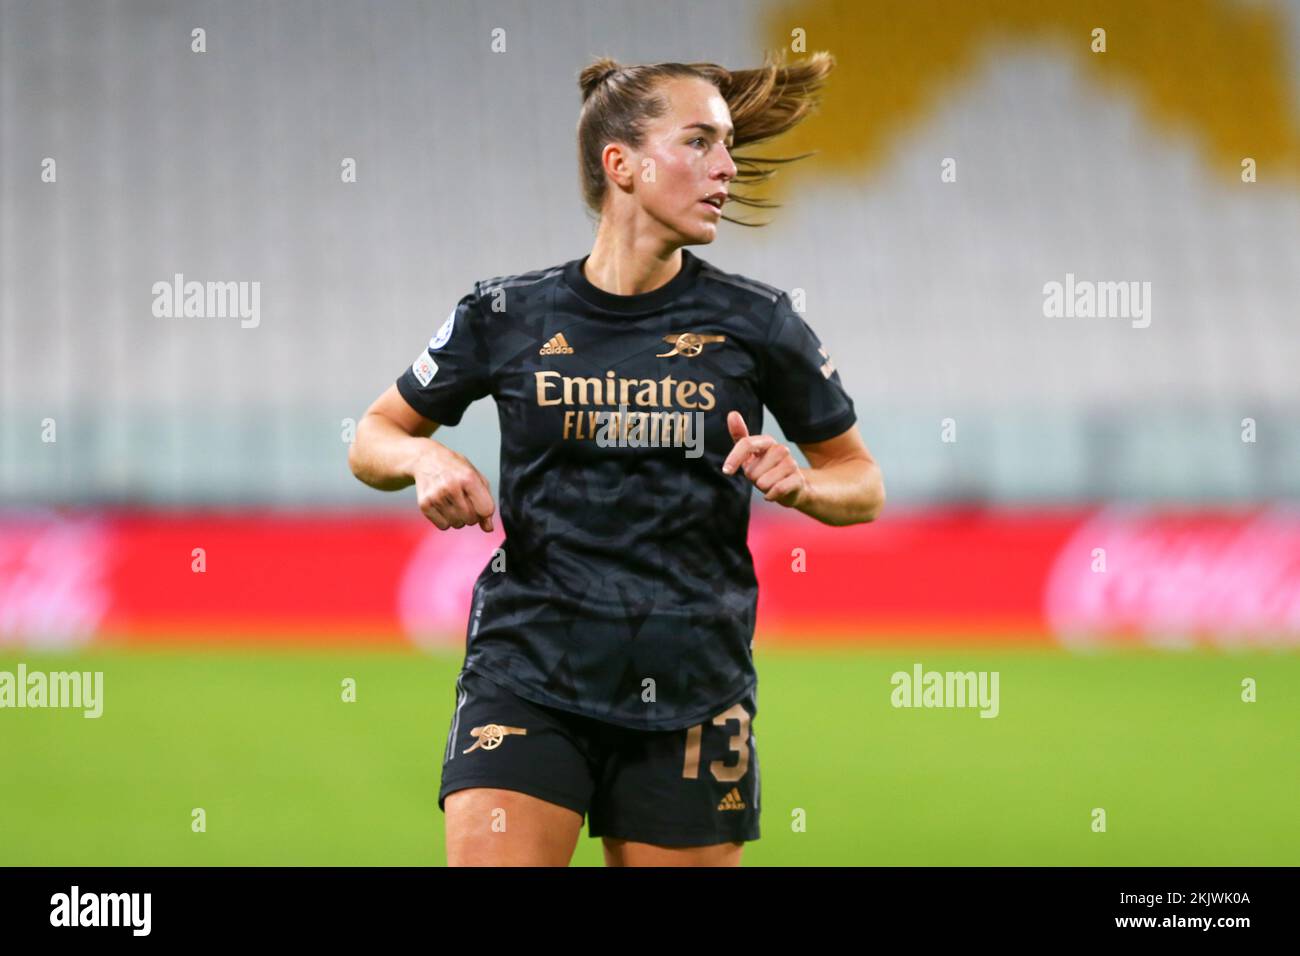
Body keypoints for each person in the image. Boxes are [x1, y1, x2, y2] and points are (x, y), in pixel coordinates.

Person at [348, 50, 884, 867]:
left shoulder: (759, 322)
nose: (728, 167)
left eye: (728, 144)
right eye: (700, 142)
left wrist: (805, 486)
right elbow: (373, 435)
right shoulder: (506, 313)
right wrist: (424, 460)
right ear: (621, 164)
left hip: (694, 690)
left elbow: (863, 482)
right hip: (527, 674)